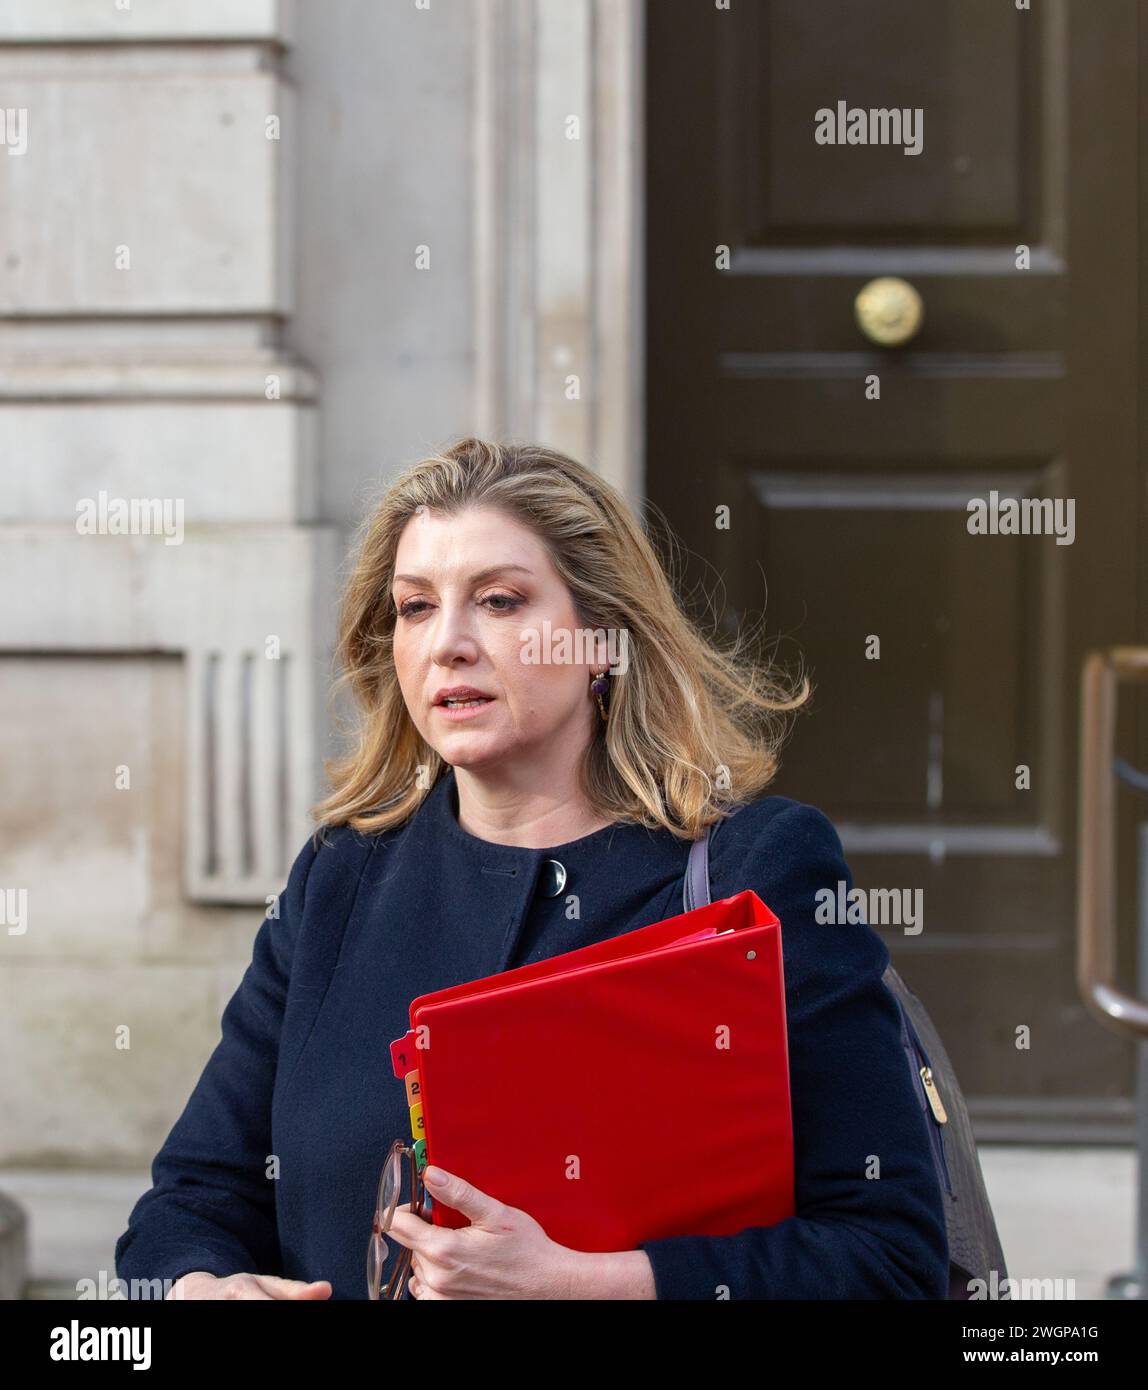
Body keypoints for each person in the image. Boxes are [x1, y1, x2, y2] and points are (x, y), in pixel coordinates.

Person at [114, 436, 948, 1300]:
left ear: (603, 640)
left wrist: (585, 1285)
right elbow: (190, 1201)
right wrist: (199, 1289)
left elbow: (887, 1263)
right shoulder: (339, 877)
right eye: (414, 608)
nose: (449, 644)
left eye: (501, 601)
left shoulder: (757, 870)